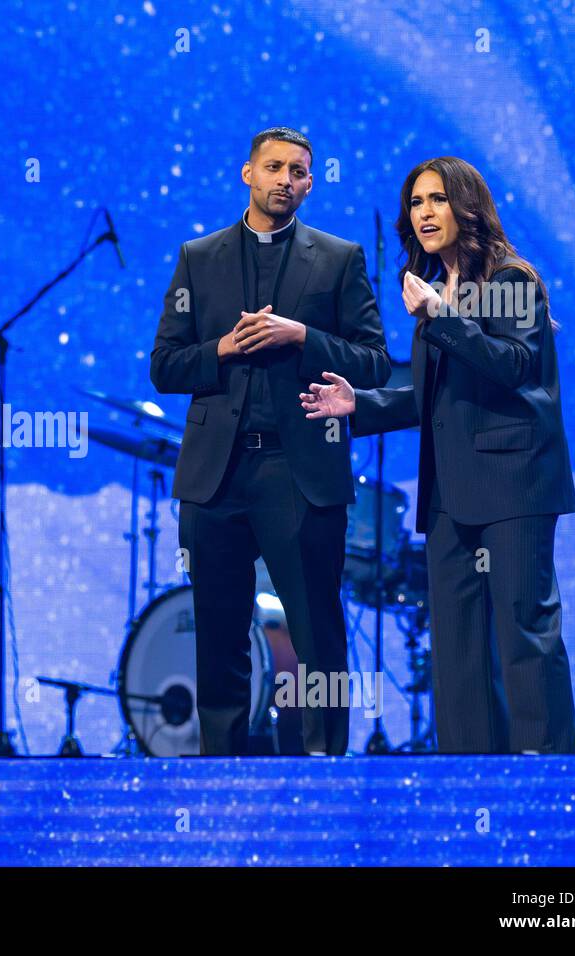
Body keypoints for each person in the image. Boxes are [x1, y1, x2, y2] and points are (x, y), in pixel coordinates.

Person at [300, 156, 575, 754]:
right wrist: (361, 405)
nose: (424, 213)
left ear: (467, 207)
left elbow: (512, 366)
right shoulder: (435, 296)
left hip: (514, 485)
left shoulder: (511, 281)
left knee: (524, 633)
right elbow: (436, 400)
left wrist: (439, 315)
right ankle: (468, 777)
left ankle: (552, 779)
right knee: (458, 648)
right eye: (416, 203)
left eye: (437, 200)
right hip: (450, 494)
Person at [150, 127, 391, 756]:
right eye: (275, 167)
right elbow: (165, 366)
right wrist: (222, 349)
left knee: (317, 631)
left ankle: (325, 763)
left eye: (300, 172)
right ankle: (218, 772)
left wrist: (300, 336)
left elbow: (373, 363)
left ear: (311, 184)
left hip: (300, 469)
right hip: (216, 475)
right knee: (220, 634)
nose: (287, 179)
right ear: (248, 174)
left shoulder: (339, 259)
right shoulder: (198, 258)